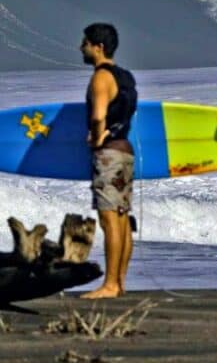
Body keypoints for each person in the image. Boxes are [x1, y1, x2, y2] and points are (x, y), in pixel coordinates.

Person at [79, 23, 138, 299]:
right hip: (125, 150)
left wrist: (95, 136)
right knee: (122, 217)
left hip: (109, 155)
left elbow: (98, 115)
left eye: (85, 43)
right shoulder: (126, 77)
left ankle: (110, 285)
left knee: (108, 218)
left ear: (98, 47)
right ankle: (120, 282)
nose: (81, 48)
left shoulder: (101, 77)